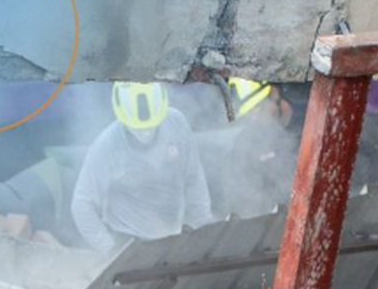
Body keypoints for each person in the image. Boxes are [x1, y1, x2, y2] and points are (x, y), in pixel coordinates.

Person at [72, 82, 212, 253]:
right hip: (126, 243)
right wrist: (109, 248)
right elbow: (82, 204)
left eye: (152, 126)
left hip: (172, 238)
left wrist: (203, 228)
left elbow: (194, 178)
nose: (145, 134)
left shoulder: (176, 123)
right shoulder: (107, 145)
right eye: (137, 129)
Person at [213, 77, 299, 218]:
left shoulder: (303, 128)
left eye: (256, 109)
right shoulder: (245, 145)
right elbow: (247, 197)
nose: (253, 117)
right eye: (249, 113)